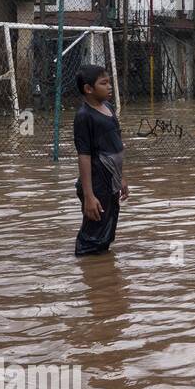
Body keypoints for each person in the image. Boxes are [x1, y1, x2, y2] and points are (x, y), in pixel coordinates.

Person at [73, 64, 128, 256]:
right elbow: (84, 156)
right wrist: (89, 195)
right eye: (104, 83)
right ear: (89, 89)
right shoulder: (84, 116)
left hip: (110, 180)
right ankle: (88, 272)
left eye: (109, 82)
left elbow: (116, 145)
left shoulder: (109, 108)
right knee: (92, 236)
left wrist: (121, 178)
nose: (109, 86)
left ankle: (103, 274)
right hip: (96, 183)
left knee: (106, 232)